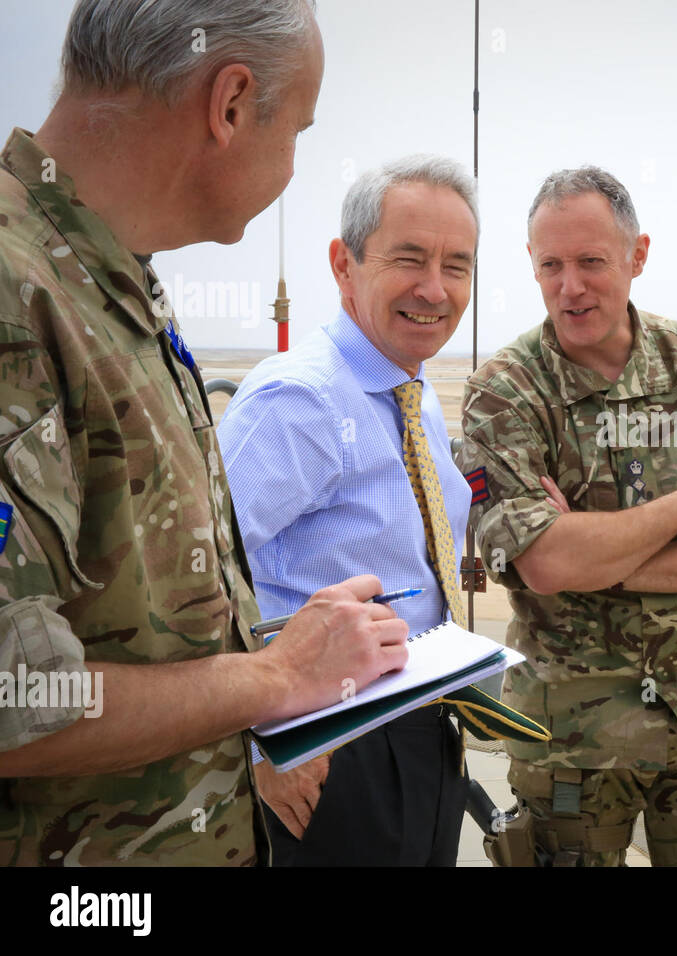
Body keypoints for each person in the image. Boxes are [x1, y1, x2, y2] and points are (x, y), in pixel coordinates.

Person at [0, 0, 411, 866]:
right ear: (229, 104)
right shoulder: (17, 294)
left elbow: (128, 620)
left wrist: (265, 653)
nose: (294, 164)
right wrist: (275, 677)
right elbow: (13, 696)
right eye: (295, 129)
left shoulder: (105, 281)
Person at [459, 166, 677, 866]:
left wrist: (592, 554)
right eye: (550, 265)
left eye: (591, 262)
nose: (571, 286)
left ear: (636, 256)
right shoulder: (505, 392)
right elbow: (545, 563)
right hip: (569, 739)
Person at [218, 156, 480, 865]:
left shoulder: (409, 387)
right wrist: (265, 737)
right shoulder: (297, 400)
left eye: (457, 266)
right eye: (409, 259)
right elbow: (194, 579)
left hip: (424, 726)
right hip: (331, 744)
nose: (435, 289)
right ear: (344, 263)